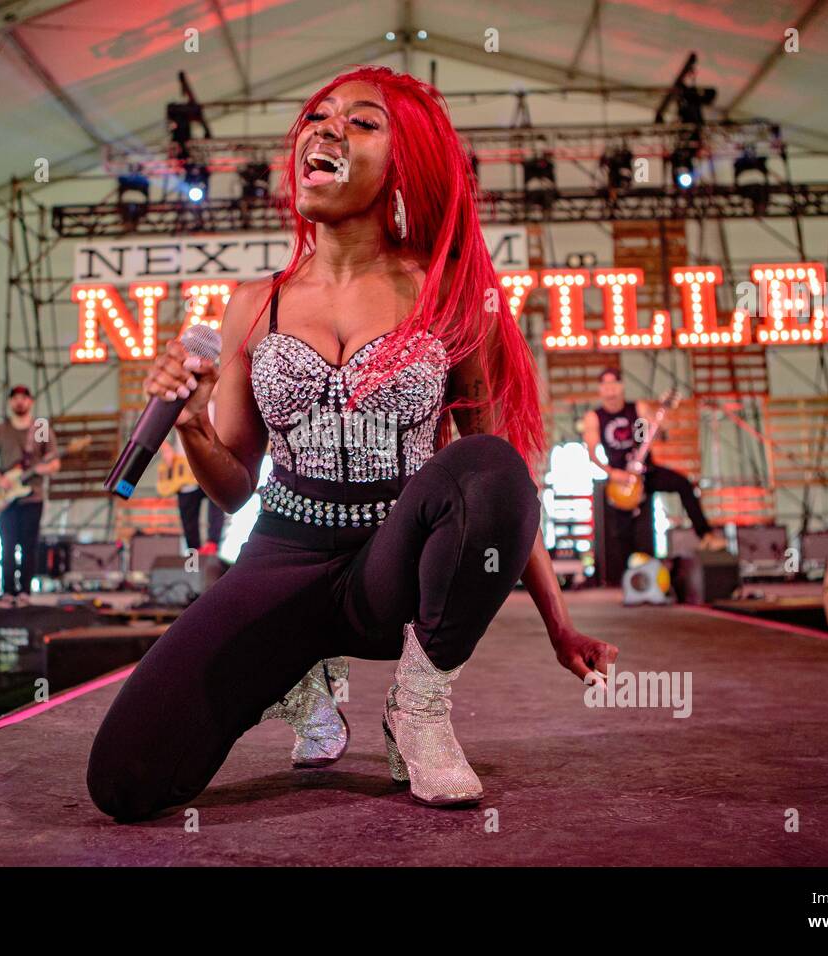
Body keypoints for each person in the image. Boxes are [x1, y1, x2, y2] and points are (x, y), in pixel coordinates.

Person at [86, 66, 618, 821]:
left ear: (403, 166)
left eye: (362, 122)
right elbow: (235, 484)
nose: (326, 129)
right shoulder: (252, 305)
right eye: (317, 116)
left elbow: (502, 487)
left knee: (490, 465)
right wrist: (194, 424)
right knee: (124, 781)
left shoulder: (449, 294)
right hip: (281, 558)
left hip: (390, 574)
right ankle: (298, 673)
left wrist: (558, 623)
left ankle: (419, 707)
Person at [582, 366, 725, 580]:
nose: (610, 389)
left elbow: (654, 434)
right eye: (606, 384)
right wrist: (612, 473)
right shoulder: (595, 417)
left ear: (621, 386)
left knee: (683, 484)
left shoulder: (636, 409)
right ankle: (627, 578)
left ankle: (705, 534)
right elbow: (592, 451)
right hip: (621, 480)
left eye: (614, 383)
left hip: (646, 472)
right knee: (622, 531)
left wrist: (658, 424)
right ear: (600, 389)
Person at [0, 385, 61, 606]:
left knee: (29, 544)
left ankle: (25, 592)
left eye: (24, 398)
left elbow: (54, 461)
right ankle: (7, 592)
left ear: (31, 402)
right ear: (10, 403)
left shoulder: (40, 428)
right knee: (7, 544)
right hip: (7, 496)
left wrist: (42, 469)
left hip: (32, 496)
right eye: (15, 398)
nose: (20, 402)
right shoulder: (0, 430)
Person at [158, 400, 224, 556]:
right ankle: (193, 561)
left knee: (218, 505)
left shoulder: (219, 404)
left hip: (212, 467)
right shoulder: (179, 404)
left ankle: (212, 550)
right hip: (185, 472)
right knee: (189, 522)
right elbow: (158, 425)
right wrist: (166, 447)